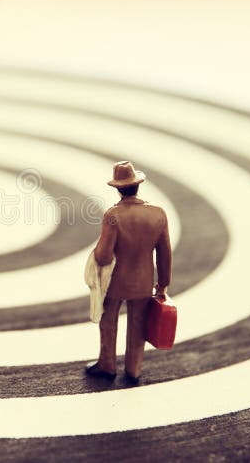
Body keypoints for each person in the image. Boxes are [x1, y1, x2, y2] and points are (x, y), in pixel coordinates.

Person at [86, 161, 172, 381]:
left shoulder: (113, 215)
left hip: (115, 283)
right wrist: (162, 284)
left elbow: (104, 255)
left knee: (108, 322)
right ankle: (133, 369)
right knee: (138, 326)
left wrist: (95, 254)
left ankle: (107, 364)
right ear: (137, 185)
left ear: (118, 188)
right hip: (143, 283)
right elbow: (164, 253)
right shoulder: (158, 214)